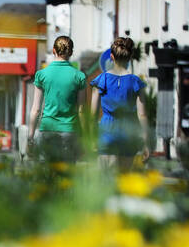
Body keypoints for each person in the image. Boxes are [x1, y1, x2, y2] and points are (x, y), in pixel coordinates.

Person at [90, 36, 149, 171]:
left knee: (105, 182)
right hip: (128, 134)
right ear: (130, 57)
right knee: (123, 180)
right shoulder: (136, 82)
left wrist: (92, 137)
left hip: (107, 133)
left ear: (111, 56)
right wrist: (146, 142)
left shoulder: (101, 80)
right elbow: (142, 115)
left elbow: (93, 114)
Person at [27, 35, 88, 163]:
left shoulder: (41, 75)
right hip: (70, 131)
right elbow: (82, 110)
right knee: (68, 175)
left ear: (54, 50)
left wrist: (30, 139)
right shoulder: (79, 76)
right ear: (71, 52)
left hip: (47, 129)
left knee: (47, 176)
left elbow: (36, 110)